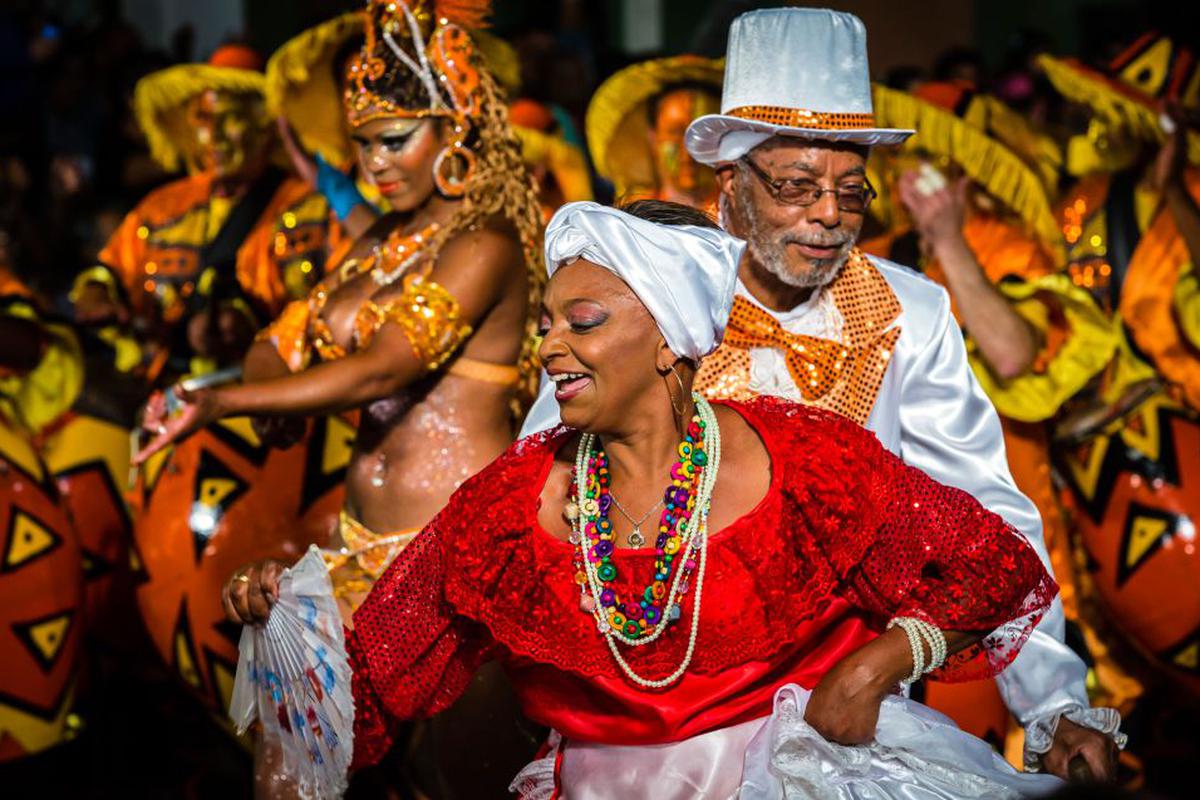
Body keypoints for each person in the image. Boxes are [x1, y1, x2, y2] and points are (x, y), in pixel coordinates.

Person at [224, 200, 1062, 799]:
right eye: (548, 322)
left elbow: (997, 567)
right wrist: (286, 620)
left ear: (668, 339)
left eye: (581, 321)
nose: (550, 346)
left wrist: (877, 665)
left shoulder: (808, 461)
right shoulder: (509, 506)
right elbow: (369, 677)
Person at [522, 7, 1121, 779]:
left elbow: (986, 515)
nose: (830, 216)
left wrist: (1054, 704)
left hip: (843, 716)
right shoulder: (646, 300)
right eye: (798, 186)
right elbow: (537, 478)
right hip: (651, 719)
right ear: (729, 180)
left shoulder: (908, 314)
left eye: (851, 191)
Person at [136, 1, 544, 794]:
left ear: (454, 131)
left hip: (457, 559)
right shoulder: (378, 245)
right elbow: (278, 340)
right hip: (354, 550)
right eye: (361, 146)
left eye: (394, 139)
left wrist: (226, 404)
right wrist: (269, 390)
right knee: (293, 779)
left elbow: (384, 369)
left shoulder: (485, 243)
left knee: (448, 781)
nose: (373, 164)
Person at [862, 80, 1122, 751]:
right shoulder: (878, 254)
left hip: (1002, 498)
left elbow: (1011, 355)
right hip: (906, 535)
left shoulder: (1008, 244)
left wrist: (948, 241)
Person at [1037, 33, 1200, 765]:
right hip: (1105, 460)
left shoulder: (1187, 194)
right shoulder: (1081, 206)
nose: (1095, 129)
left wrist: (1173, 192)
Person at [585, 55, 723, 207]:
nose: (688, 150)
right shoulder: (632, 219)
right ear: (653, 138)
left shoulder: (739, 216)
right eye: (674, 133)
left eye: (703, 132)